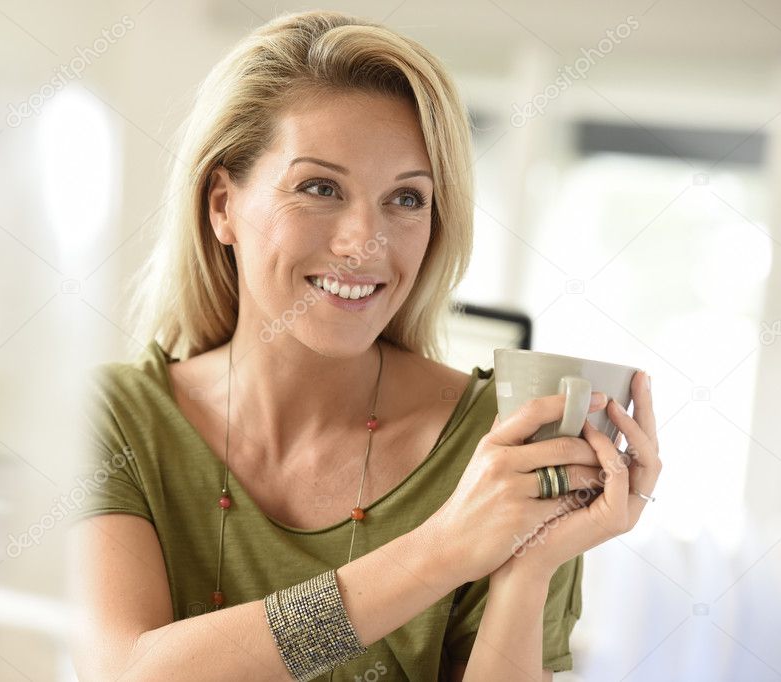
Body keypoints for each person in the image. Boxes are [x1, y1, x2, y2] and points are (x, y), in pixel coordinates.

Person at [68, 9, 662, 681]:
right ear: (221, 205)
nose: (363, 242)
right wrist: (445, 549)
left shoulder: (499, 453)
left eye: (405, 200)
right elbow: (128, 673)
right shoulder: (114, 415)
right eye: (319, 188)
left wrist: (528, 568)